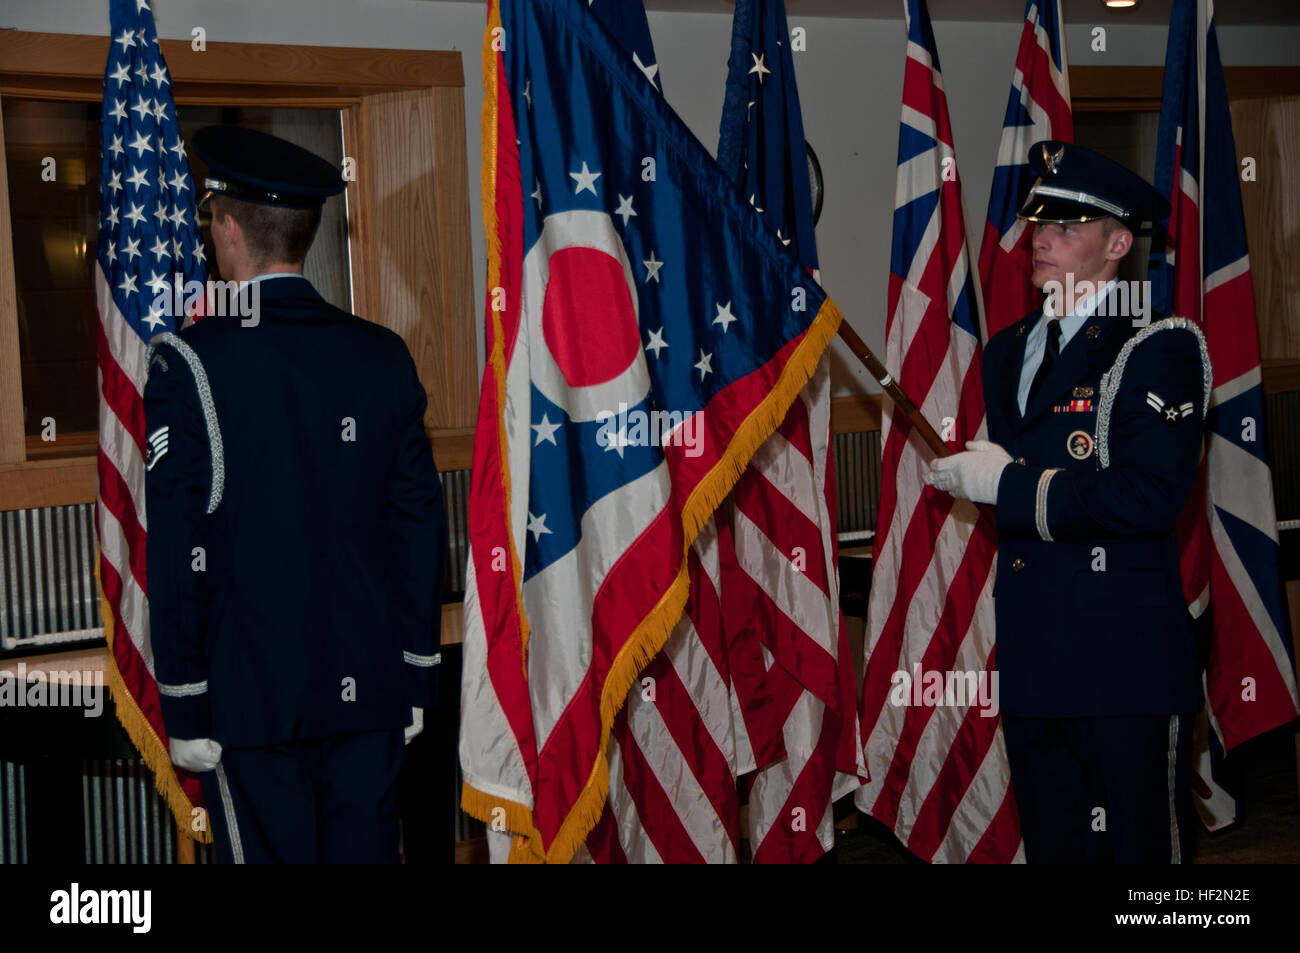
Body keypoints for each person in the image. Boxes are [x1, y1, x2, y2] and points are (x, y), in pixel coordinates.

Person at [143, 125, 446, 863]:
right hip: (369, 691)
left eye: (213, 217)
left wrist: (183, 698)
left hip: (253, 703)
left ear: (228, 229)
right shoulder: (382, 355)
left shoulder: (188, 361)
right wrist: (413, 675)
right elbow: (417, 526)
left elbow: (180, 549)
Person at [926, 141, 1211, 863]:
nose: (1042, 237)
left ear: (1119, 243)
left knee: (1143, 867)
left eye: (1069, 223)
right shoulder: (1005, 350)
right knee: (1058, 849)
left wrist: (1010, 486)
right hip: (1035, 657)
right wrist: (984, 482)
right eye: (1039, 220)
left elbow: (1148, 498)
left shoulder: (1157, 346)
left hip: (1123, 660)